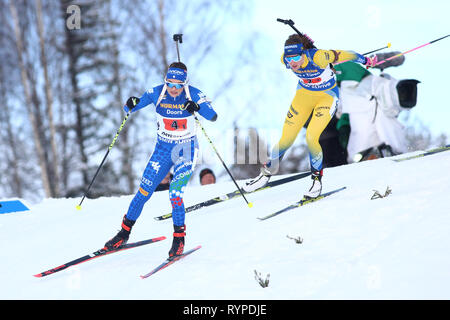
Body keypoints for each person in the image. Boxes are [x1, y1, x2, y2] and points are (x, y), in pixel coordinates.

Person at [104, 62, 218, 259]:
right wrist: (130, 103)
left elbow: (212, 115)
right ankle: (123, 233)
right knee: (143, 191)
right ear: (166, 81)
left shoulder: (193, 93)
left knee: (175, 194)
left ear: (185, 84)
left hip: (186, 150)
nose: (174, 89)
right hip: (163, 149)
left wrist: (197, 107)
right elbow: (131, 106)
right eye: (170, 84)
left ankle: (179, 239)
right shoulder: (156, 92)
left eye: (178, 85)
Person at [243, 33, 377, 199]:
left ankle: (316, 182)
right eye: (289, 59)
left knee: (312, 137)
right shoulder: (284, 59)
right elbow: (290, 60)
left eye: (296, 57)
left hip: (326, 96)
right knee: (286, 138)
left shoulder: (319, 57)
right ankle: (265, 175)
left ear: (303, 52)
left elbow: (347, 54)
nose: (292, 63)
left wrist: (366, 61)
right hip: (304, 96)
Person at [334, 55, 419, 162]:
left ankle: (389, 154)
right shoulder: (349, 96)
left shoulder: (360, 81)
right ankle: (383, 155)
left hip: (371, 132)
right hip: (365, 139)